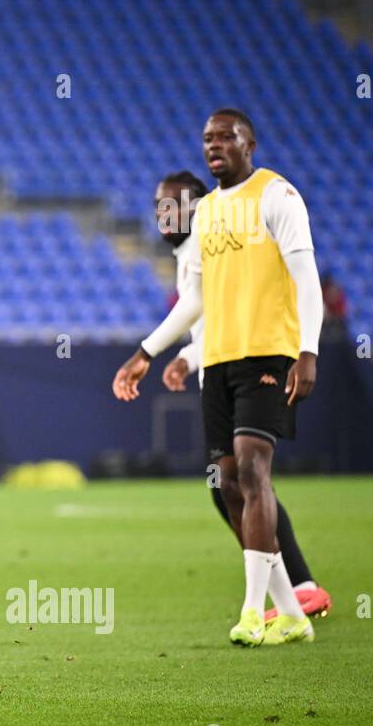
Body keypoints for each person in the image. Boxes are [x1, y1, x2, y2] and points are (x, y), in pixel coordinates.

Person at [113, 110, 324, 647]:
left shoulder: (277, 196)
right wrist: (148, 352)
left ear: (249, 142)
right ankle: (293, 611)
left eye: (226, 137)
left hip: (268, 357)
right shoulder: (205, 213)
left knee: (253, 472)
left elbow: (306, 276)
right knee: (227, 484)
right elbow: (198, 299)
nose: (215, 145)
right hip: (221, 363)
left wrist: (308, 350)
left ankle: (254, 612)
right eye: (207, 138)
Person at [147, 171, 330, 620]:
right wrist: (187, 359)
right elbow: (208, 321)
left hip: (246, 366)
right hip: (217, 369)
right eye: (159, 206)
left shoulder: (206, 243)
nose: (165, 214)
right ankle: (289, 595)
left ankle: (296, 589)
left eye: (175, 205)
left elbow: (220, 312)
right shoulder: (192, 249)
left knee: (245, 479)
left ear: (197, 207)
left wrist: (154, 353)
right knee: (233, 484)